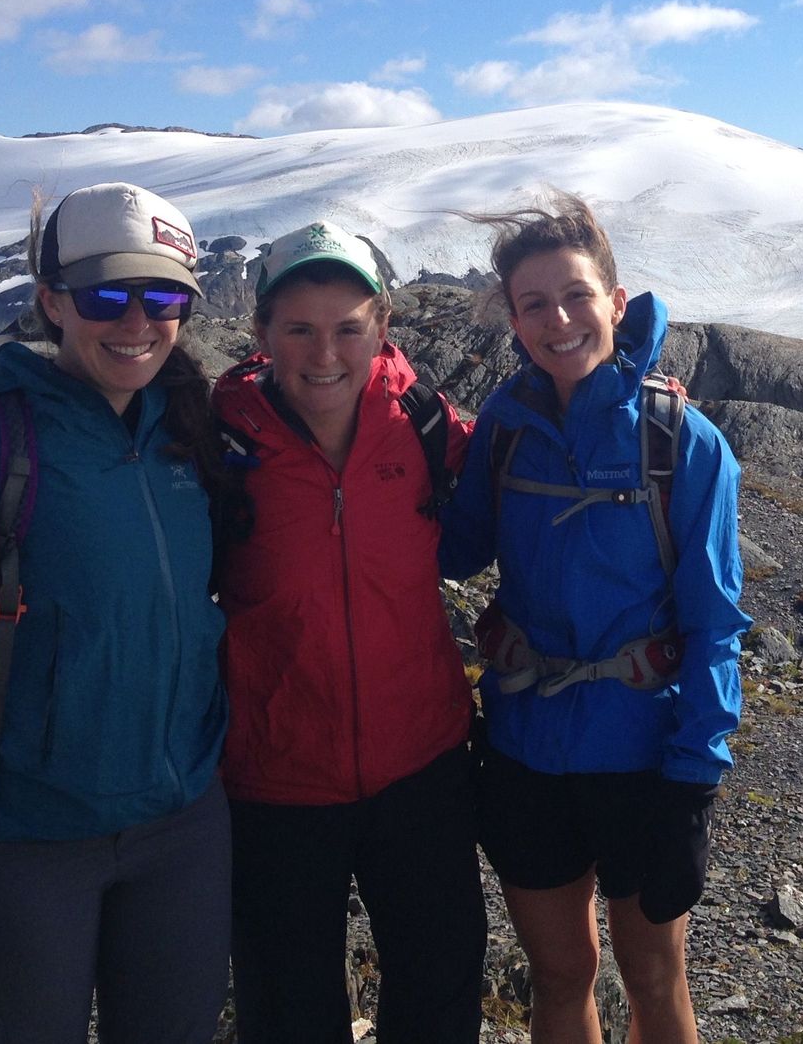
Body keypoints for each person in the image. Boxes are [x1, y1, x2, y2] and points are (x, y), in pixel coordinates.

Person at [0, 182, 231, 1044]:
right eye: (105, 296)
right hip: (19, 850)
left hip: (180, 835)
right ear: (51, 301)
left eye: (163, 295)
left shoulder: (192, 438)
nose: (136, 322)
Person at [440, 193, 750, 1044]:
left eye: (577, 296)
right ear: (513, 319)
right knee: (560, 973)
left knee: (653, 975)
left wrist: (695, 779)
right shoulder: (505, 424)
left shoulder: (682, 441)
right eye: (534, 304)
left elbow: (717, 622)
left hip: (644, 759)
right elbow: (457, 548)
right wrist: (408, 439)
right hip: (522, 750)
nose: (559, 319)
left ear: (618, 301)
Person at [211, 221, 485, 1042]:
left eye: (347, 328)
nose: (322, 352)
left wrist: (634, 392)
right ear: (262, 333)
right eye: (298, 328)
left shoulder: (427, 427)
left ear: (383, 326)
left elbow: (542, 461)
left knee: (438, 1001)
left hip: (422, 769)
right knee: (289, 1013)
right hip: (275, 780)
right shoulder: (215, 443)